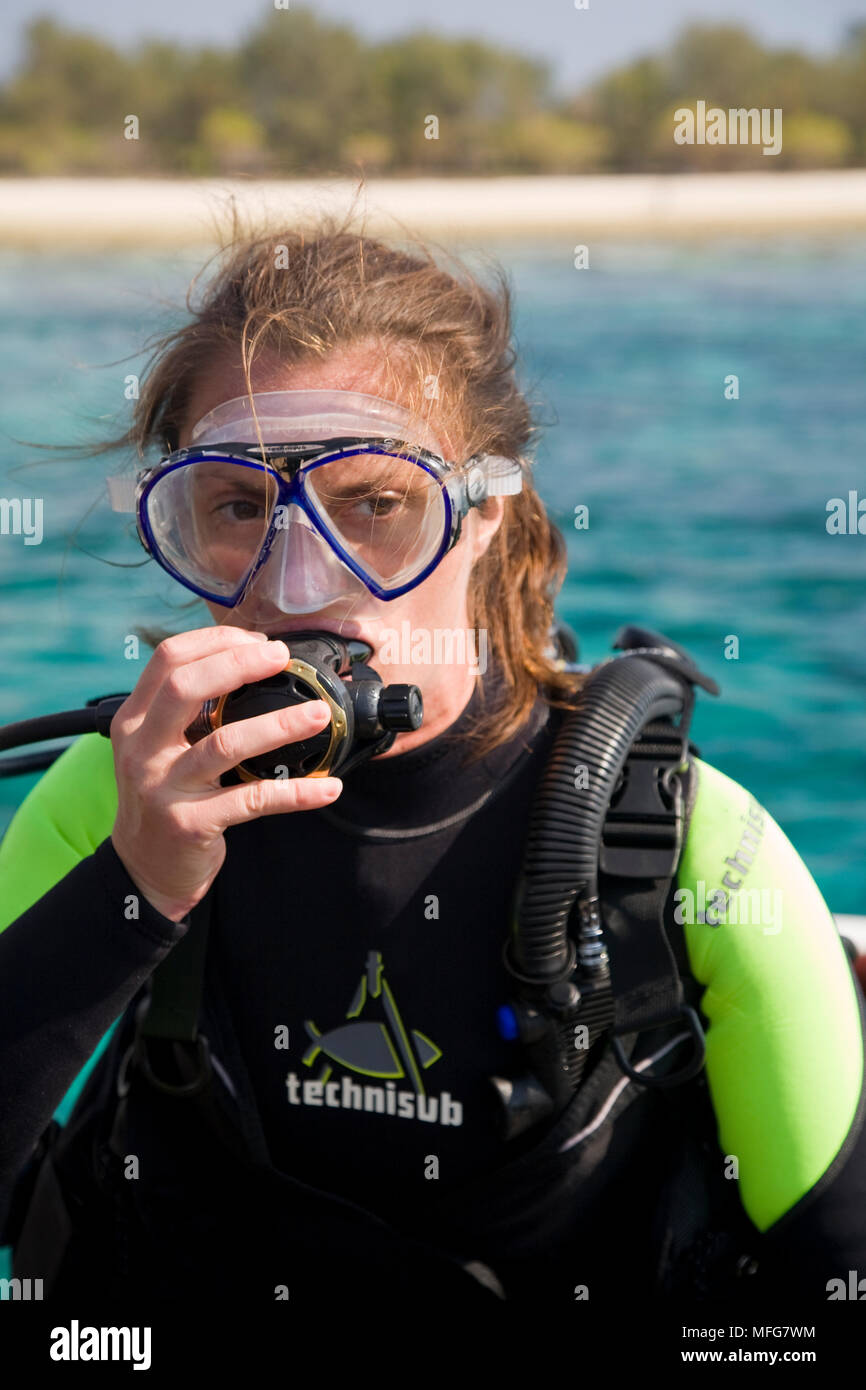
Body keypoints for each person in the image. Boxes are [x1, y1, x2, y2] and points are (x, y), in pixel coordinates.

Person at [0, 216, 864, 1315]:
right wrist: (136, 889)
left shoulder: (682, 847)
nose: (303, 582)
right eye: (236, 507)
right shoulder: (123, 804)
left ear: (485, 511)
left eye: (375, 503)